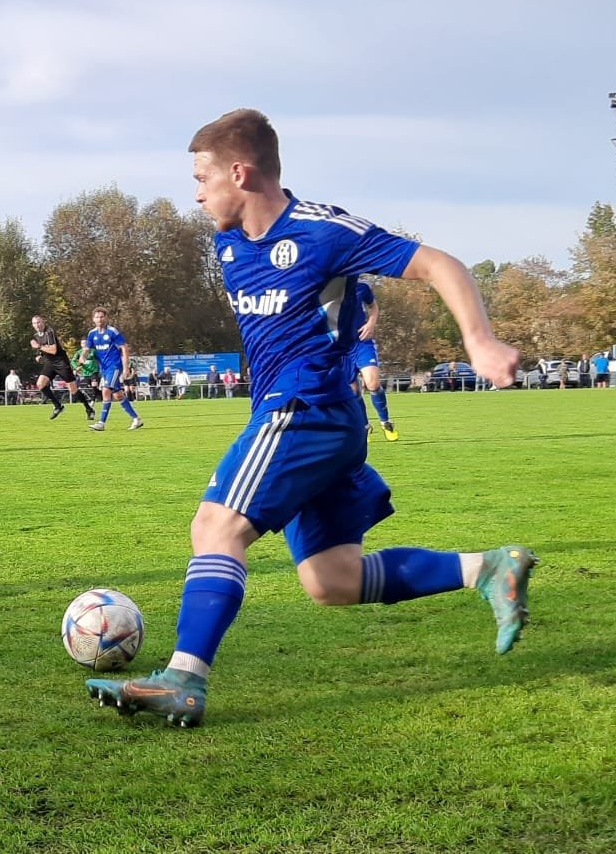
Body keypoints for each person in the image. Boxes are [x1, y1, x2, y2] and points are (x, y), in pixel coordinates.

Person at [86, 108, 536, 728]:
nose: (196, 195)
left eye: (201, 178)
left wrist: (479, 341)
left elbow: (440, 264)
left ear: (239, 173)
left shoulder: (324, 231)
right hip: (319, 417)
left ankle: (184, 679)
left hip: (305, 409)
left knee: (215, 527)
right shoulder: (227, 242)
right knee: (332, 579)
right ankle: (486, 567)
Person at [350, 280, 399, 440]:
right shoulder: (326, 286)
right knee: (353, 391)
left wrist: (371, 323)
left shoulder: (361, 287)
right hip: (341, 347)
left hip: (362, 342)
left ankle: (385, 421)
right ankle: (364, 425)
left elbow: (373, 307)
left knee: (373, 383)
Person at [85, 308, 144, 432]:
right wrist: (82, 357)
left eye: (102, 317)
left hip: (115, 366)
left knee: (106, 391)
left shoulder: (112, 332)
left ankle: (101, 422)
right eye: (97, 317)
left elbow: (124, 348)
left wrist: (126, 367)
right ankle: (136, 419)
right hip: (104, 368)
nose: (99, 319)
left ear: (106, 318)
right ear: (93, 319)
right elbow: (87, 348)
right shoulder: (92, 334)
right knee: (118, 395)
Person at [29, 315, 95, 422]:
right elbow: (39, 353)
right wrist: (39, 357)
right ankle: (58, 406)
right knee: (40, 384)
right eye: (34, 323)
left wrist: (39, 347)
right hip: (50, 363)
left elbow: (53, 350)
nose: (37, 325)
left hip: (61, 362)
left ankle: (89, 409)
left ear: (43, 322)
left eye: (39, 322)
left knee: (73, 391)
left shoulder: (49, 332)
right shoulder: (35, 336)